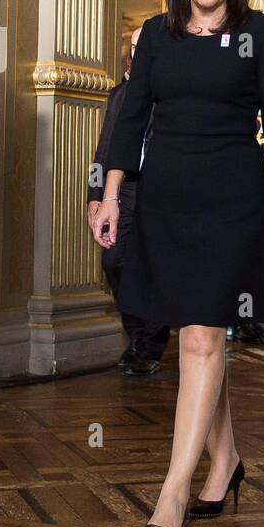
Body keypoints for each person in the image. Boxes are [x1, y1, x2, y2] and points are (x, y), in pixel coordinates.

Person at [91, 0, 264, 527]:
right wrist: (111, 193)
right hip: (166, 199)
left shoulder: (261, 34)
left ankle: (173, 489)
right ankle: (226, 460)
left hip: (235, 197)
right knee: (196, 331)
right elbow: (131, 116)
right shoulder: (155, 36)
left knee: (205, 335)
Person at [86, 26, 171, 375]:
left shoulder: (168, 93)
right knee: (115, 263)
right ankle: (139, 335)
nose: (140, 53)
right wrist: (95, 197)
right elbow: (104, 147)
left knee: (155, 266)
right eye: (135, 47)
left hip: (161, 191)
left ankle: (149, 345)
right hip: (122, 191)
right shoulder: (119, 94)